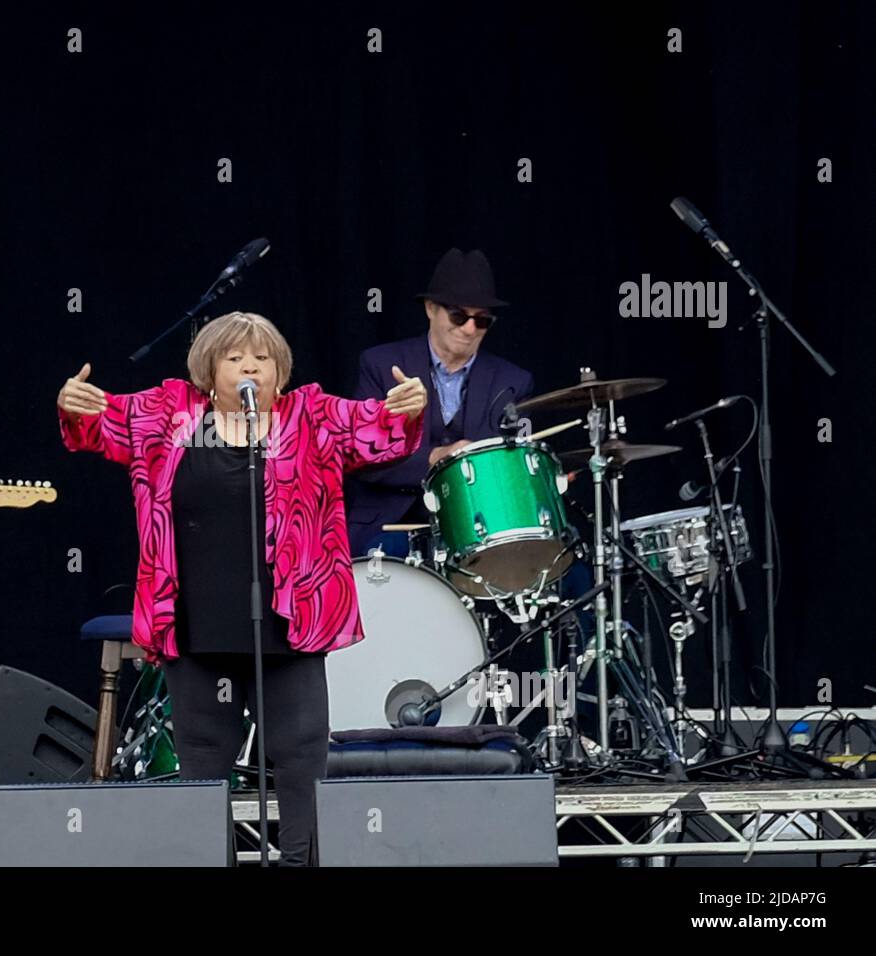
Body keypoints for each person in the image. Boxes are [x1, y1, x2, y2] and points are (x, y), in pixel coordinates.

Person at [57, 310, 425, 865]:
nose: (250, 366)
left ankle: (302, 862)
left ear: (281, 372)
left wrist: (408, 409)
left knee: (300, 757)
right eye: (234, 358)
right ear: (208, 369)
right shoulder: (169, 414)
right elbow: (101, 425)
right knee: (203, 760)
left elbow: (379, 435)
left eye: (263, 358)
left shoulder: (311, 416)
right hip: (195, 620)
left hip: (291, 620)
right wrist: (75, 405)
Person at [346, 248, 535, 557]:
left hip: (477, 531)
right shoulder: (381, 364)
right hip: (389, 528)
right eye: (459, 316)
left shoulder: (513, 381)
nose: (469, 329)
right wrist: (436, 456)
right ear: (431, 309)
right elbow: (361, 455)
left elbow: (515, 470)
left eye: (482, 321)